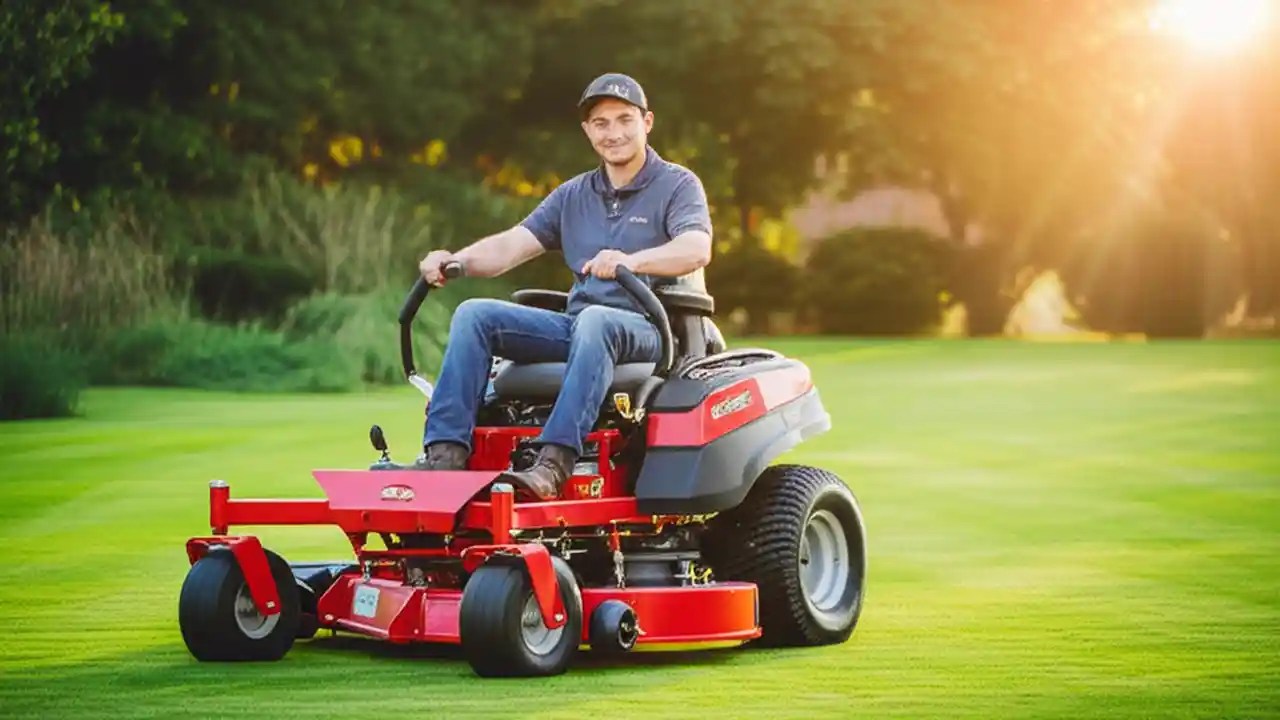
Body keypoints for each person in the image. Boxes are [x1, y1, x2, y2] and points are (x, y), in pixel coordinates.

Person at [409, 72, 713, 500]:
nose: (614, 133)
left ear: (647, 122)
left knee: (595, 320)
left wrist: (631, 261)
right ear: (588, 131)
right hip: (582, 326)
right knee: (475, 314)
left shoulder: (678, 185)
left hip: (649, 327)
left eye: (624, 120)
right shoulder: (573, 195)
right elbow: (510, 247)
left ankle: (553, 465)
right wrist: (455, 260)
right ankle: (445, 456)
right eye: (601, 124)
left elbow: (696, 248)